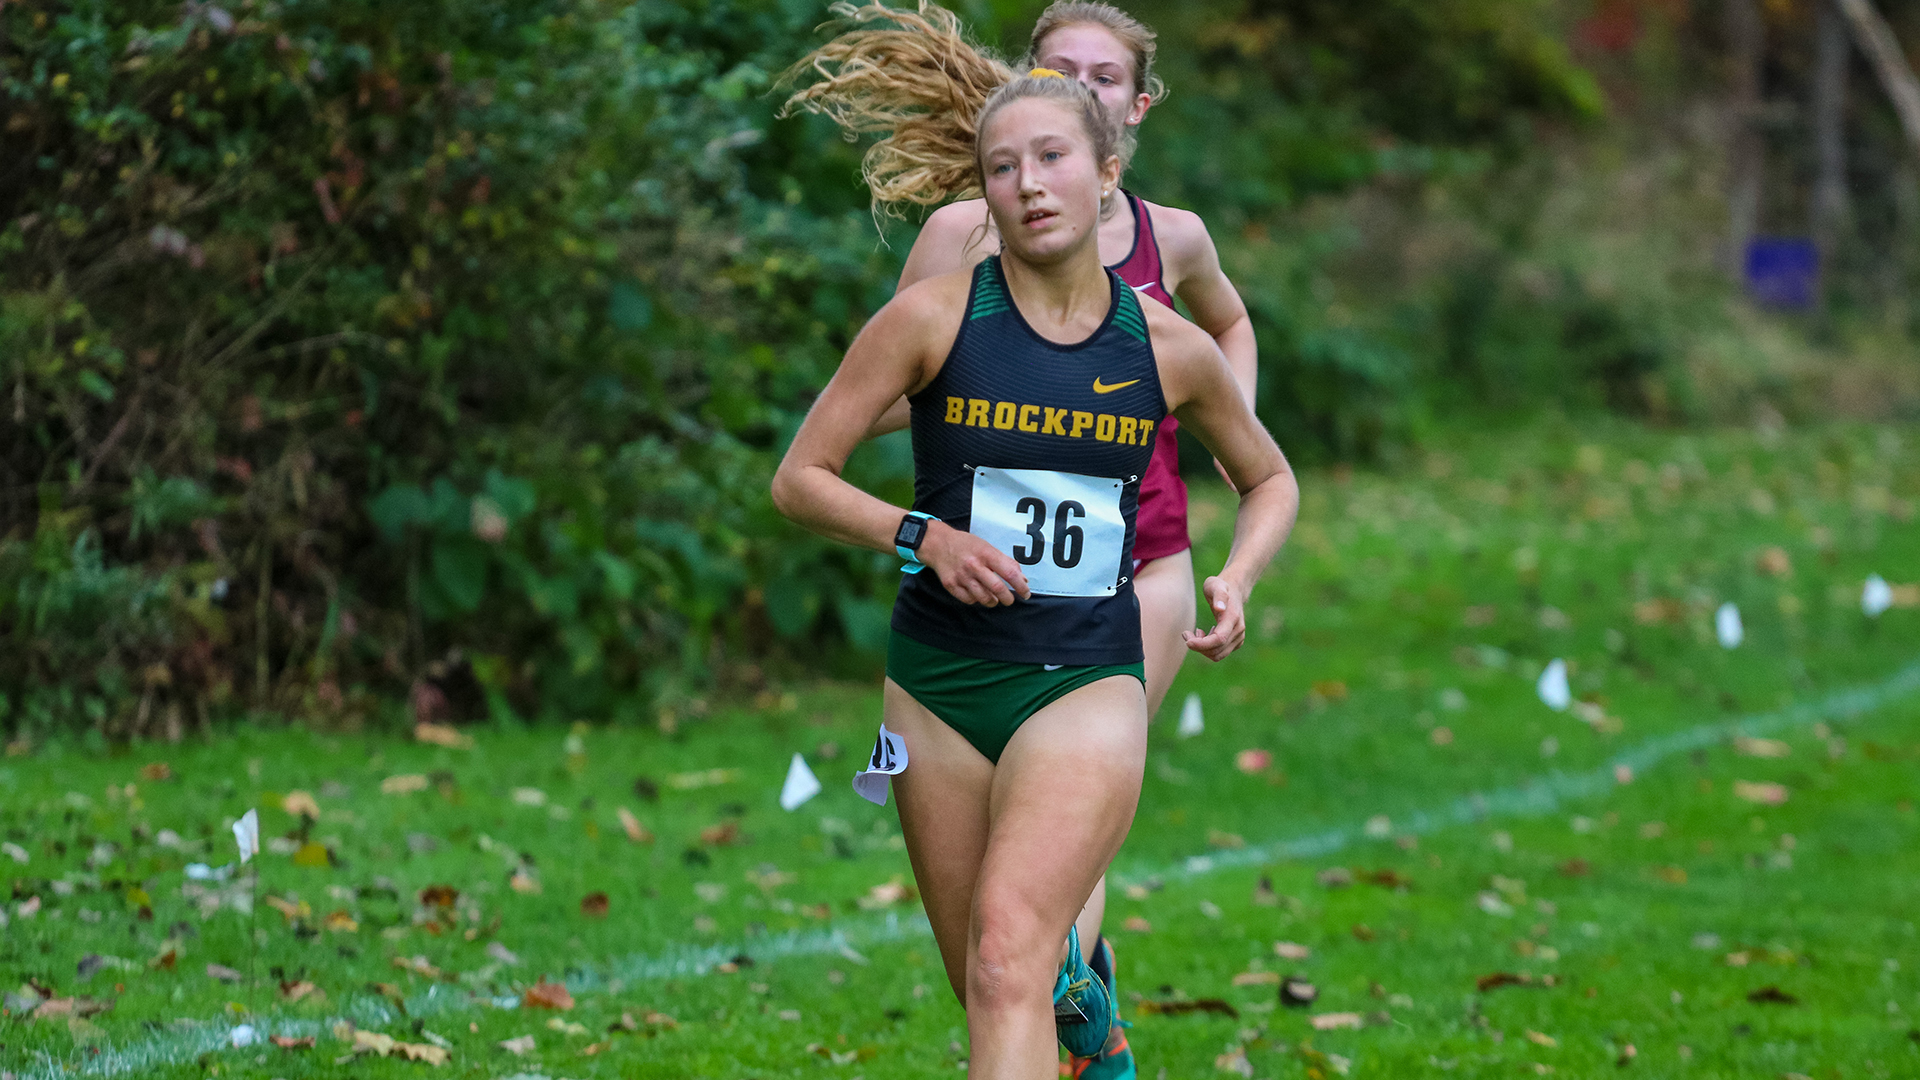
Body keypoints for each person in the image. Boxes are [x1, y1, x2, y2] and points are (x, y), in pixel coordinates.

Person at [772, 65, 1297, 1080]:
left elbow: (1268, 478)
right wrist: (921, 533)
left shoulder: (1167, 347)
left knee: (1011, 957)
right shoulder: (931, 318)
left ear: (1106, 174)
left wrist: (1239, 575)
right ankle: (1090, 1029)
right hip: (936, 686)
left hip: (1085, 683)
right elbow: (800, 477)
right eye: (1002, 167)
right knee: (984, 979)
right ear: (984, 192)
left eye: (1051, 158)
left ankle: (1073, 1013)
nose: (1029, 184)